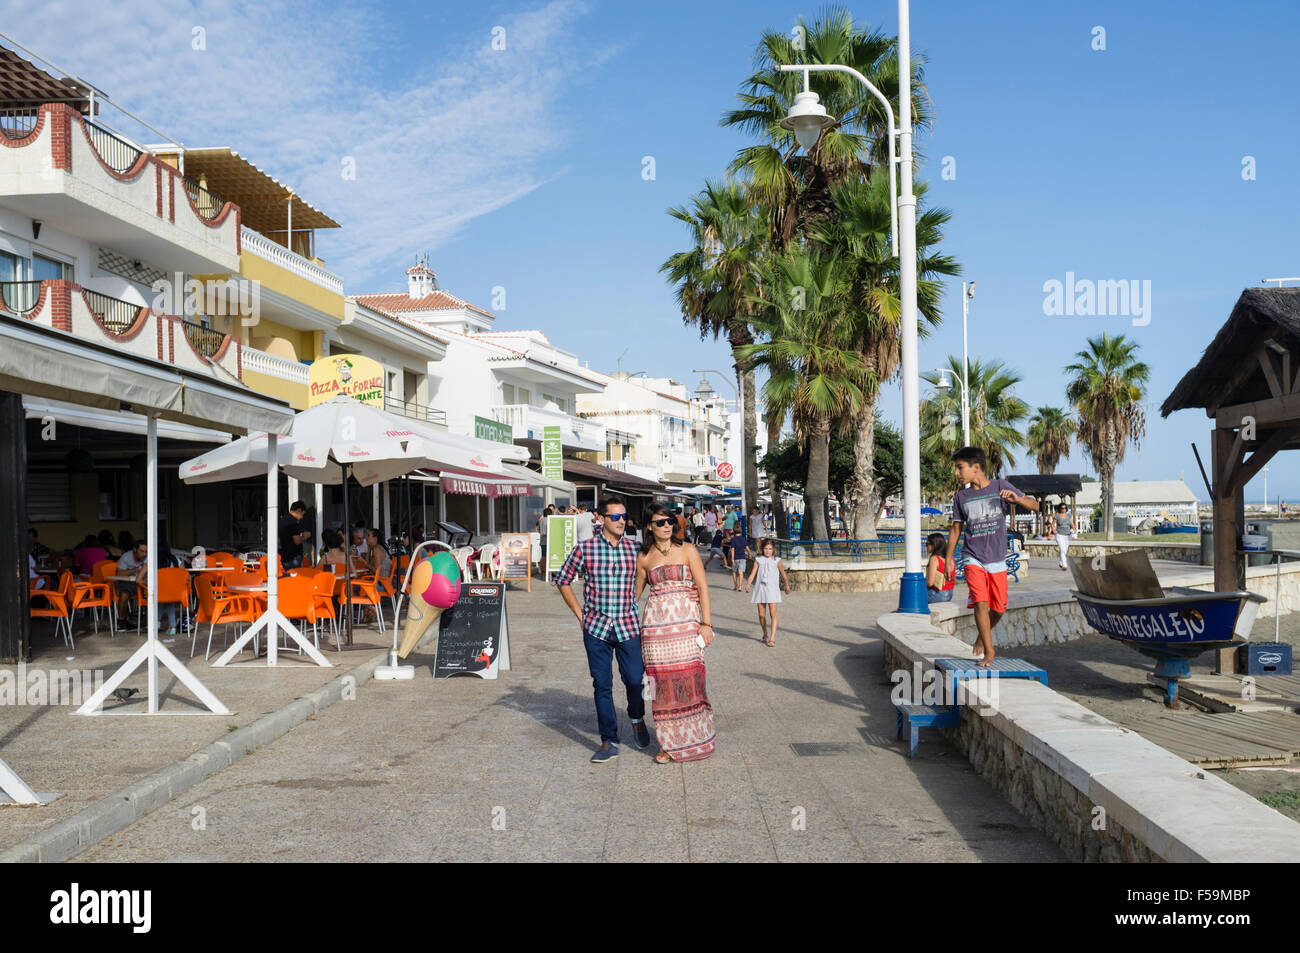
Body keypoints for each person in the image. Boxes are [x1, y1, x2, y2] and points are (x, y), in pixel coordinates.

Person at [555, 497, 651, 763]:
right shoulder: (584, 549)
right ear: (601, 518)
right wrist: (580, 615)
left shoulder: (635, 549)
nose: (622, 521)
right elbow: (562, 580)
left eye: (624, 516)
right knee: (602, 685)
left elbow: (653, 573)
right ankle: (608, 740)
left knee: (635, 679)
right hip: (596, 628)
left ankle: (636, 716)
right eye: (615, 517)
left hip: (628, 625)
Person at [943, 446, 1038, 666]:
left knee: (999, 609)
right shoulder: (961, 496)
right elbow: (956, 529)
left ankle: (980, 637)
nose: (957, 473)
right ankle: (989, 651)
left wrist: (1017, 499)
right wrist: (949, 559)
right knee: (980, 602)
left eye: (960, 468)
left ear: (976, 467)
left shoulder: (1000, 486)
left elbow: (1034, 505)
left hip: (996, 558)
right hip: (972, 556)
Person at [636, 502, 716, 763]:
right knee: (661, 686)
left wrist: (707, 624)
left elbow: (702, 587)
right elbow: (634, 596)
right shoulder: (644, 557)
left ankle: (696, 737)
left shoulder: (688, 550)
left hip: (686, 626)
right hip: (656, 632)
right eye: (660, 522)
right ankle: (667, 744)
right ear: (650, 526)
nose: (667, 526)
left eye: (670, 521)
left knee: (692, 679)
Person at [746, 538, 790, 646]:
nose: (768, 551)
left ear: (773, 549)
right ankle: (765, 633)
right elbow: (753, 573)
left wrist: (787, 586)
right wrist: (748, 584)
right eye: (766, 548)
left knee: (773, 614)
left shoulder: (777, 560)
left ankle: (772, 638)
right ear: (762, 549)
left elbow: (783, 574)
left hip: (772, 590)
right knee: (761, 615)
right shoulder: (758, 559)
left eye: (770, 549)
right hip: (760, 589)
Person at [279, 500, 311, 570]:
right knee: (296, 578)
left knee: (289, 578)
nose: (302, 517)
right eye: (303, 514)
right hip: (293, 557)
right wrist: (305, 536)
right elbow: (297, 541)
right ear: (299, 510)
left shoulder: (282, 520)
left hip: (285, 556)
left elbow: (279, 539)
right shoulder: (293, 522)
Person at [925, 532, 954, 604]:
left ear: (935, 545)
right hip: (950, 593)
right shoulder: (950, 558)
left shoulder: (935, 559)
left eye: (928, 544)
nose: (926, 546)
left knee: (913, 598)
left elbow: (930, 583)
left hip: (938, 594)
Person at [1053, 503, 1073, 571]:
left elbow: (1071, 523)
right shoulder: (1057, 516)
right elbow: (1052, 525)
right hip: (1059, 535)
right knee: (1063, 549)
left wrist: (1074, 528)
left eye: (1064, 508)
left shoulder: (1069, 515)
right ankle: (1064, 565)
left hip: (1068, 535)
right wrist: (1054, 530)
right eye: (1062, 508)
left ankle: (1061, 562)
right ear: (1060, 509)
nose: (1063, 509)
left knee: (1065, 550)